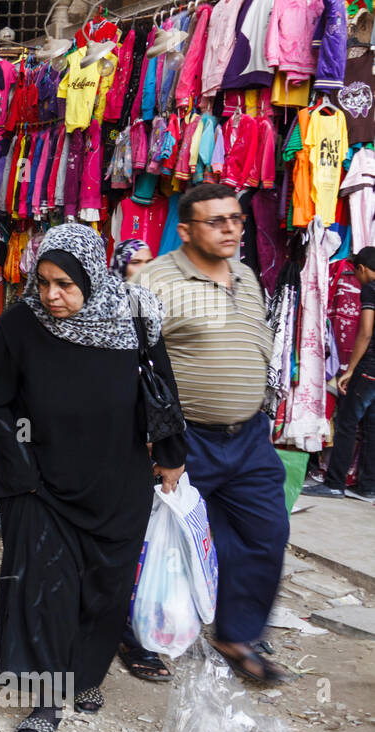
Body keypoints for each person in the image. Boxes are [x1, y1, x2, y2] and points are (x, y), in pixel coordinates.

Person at [0, 224, 187, 732]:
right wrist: (18, 469)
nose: (52, 295)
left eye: (65, 284)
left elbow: (162, 387)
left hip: (118, 482)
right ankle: (46, 697)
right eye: (44, 282)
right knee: (47, 592)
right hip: (43, 485)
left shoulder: (133, 315)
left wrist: (173, 457)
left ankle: (85, 676)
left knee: (105, 587)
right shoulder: (21, 323)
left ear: (92, 277)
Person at [136, 182, 292, 685]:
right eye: (216, 221)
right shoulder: (156, 281)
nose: (230, 229)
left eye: (236, 220)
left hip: (247, 437)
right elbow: (135, 365)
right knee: (155, 539)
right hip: (185, 439)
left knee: (264, 533)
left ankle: (235, 633)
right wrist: (158, 442)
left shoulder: (246, 276)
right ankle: (137, 635)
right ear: (184, 230)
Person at [106, 239, 175, 683]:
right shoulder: (105, 312)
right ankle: (121, 633)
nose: (143, 270)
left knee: (144, 544)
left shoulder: (152, 310)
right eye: (136, 263)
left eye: (149, 263)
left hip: (148, 442)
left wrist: (168, 447)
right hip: (111, 445)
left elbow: (163, 378)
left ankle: (138, 630)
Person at [301, 245, 375, 502]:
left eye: (357, 273)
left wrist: (351, 369)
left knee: (346, 422)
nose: (357, 278)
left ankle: (334, 483)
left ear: (363, 269)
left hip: (369, 368)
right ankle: (367, 487)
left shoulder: (370, 288)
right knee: (371, 426)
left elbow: (365, 332)